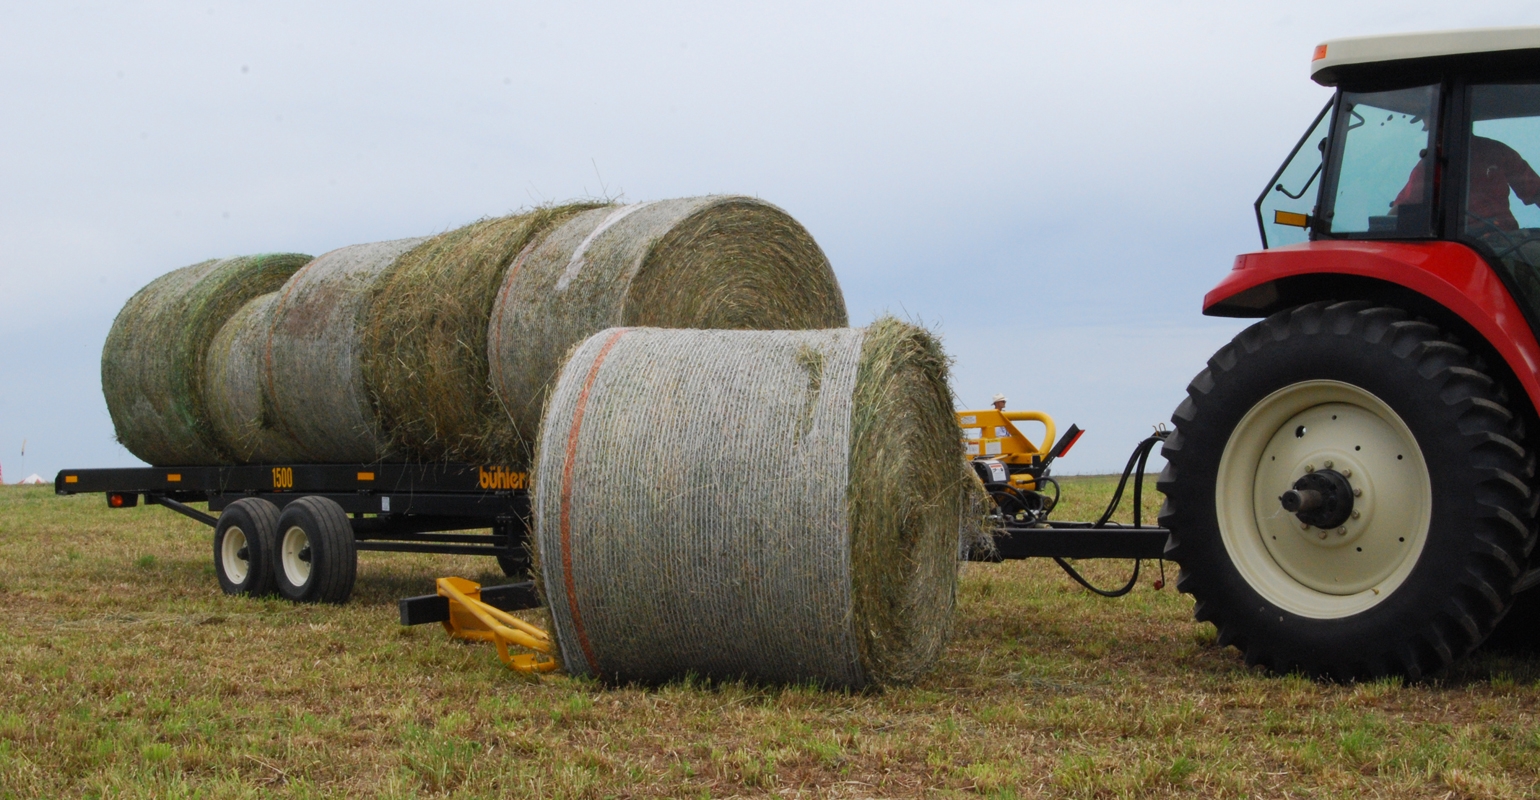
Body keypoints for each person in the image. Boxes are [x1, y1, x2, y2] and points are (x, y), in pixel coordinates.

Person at [1394, 136, 1540, 232]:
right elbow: (1401, 209)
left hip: (1506, 239)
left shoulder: (1498, 152)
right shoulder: (1432, 165)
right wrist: (1378, 232)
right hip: (1467, 244)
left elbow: (1536, 191)